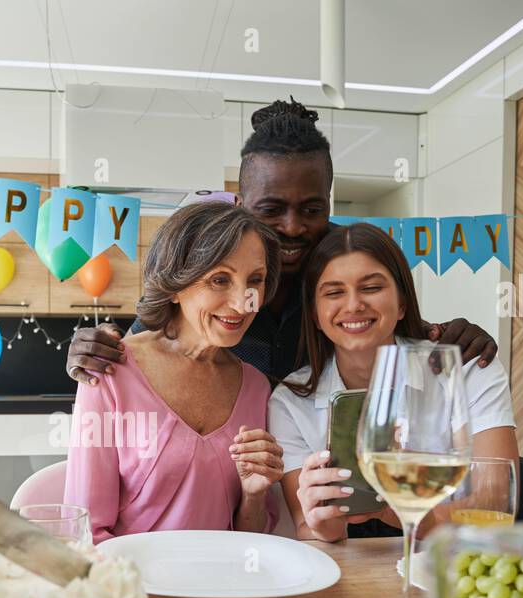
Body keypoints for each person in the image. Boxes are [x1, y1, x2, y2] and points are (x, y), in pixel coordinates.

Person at [64, 98, 499, 388]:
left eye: (311, 209)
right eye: (270, 209)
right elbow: (145, 343)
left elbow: (393, 332)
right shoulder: (206, 266)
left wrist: (453, 338)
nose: (292, 228)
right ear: (239, 202)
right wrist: (94, 350)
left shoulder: (343, 261)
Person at [269, 223, 519, 542]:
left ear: (402, 303)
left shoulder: (469, 368)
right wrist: (322, 522)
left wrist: (395, 507)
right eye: (334, 292)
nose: (354, 305)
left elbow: (493, 505)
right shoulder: (289, 401)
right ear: (315, 314)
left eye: (371, 288)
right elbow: (308, 528)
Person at [64, 202, 283, 541]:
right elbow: (84, 532)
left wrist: (254, 495)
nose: (243, 303)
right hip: (134, 586)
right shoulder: (109, 372)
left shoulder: (256, 387)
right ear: (175, 286)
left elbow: (250, 540)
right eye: (219, 280)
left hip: (224, 587)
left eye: (255, 280)